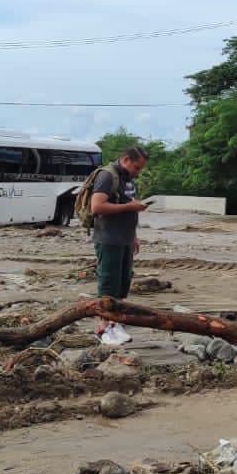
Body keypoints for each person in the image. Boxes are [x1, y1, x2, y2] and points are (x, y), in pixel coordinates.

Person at [90, 147, 149, 347]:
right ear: (125, 159)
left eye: (141, 168)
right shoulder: (107, 176)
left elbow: (128, 208)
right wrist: (130, 207)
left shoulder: (128, 179)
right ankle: (102, 328)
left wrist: (134, 236)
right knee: (108, 285)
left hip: (125, 238)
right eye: (136, 167)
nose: (138, 172)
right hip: (109, 239)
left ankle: (115, 323)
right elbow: (97, 206)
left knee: (122, 284)